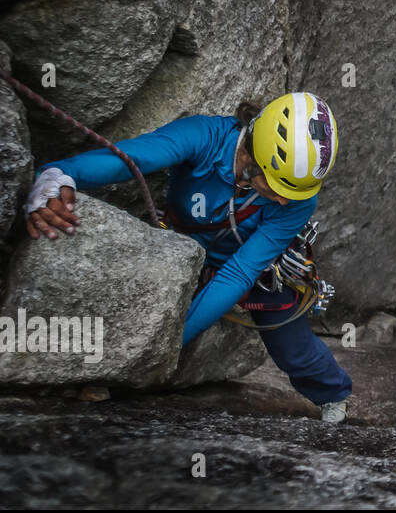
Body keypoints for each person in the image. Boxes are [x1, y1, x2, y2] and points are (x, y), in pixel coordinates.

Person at [23, 92, 353, 423]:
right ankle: (89, 372)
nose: (284, 202)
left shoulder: (298, 200)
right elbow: (133, 158)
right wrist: (60, 173)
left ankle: (334, 394)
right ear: (255, 157)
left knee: (292, 348)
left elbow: (238, 273)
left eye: (292, 192)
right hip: (184, 248)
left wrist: (167, 346)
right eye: (278, 187)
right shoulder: (204, 137)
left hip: (255, 268)